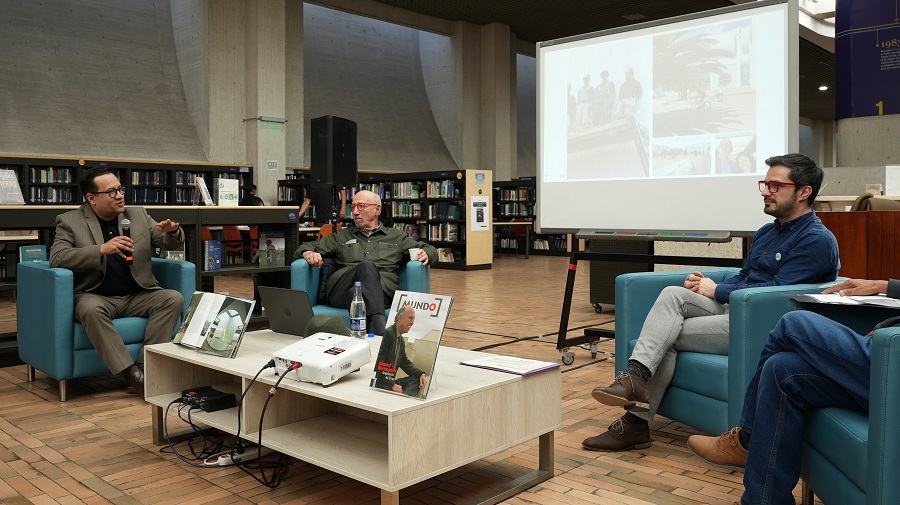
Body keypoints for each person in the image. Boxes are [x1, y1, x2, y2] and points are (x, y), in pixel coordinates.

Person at [582, 153, 840, 452]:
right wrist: (708, 287)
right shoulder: (768, 232)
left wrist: (716, 291)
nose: (766, 192)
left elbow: (776, 293)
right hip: (737, 308)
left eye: (775, 185)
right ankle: (635, 377)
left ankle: (635, 423)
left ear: (804, 192)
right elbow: (746, 279)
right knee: (673, 294)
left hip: (762, 324)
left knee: (666, 335)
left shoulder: (816, 240)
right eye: (764, 184)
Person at [686, 277, 900, 505]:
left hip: (893, 360)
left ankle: (747, 439)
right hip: (886, 349)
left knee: (792, 324)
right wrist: (885, 288)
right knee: (781, 369)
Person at [49, 166, 186, 395]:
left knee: (173, 298)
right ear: (91, 198)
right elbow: (57, 258)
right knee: (89, 309)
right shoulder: (70, 221)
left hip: (137, 294)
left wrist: (172, 232)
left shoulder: (138, 215)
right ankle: (131, 375)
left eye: (120, 189)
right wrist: (101, 249)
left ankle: (146, 367)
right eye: (111, 192)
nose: (120, 195)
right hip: (96, 296)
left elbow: (168, 243)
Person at [295, 190, 437, 335]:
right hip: (341, 290)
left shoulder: (396, 237)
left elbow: (429, 249)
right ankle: (384, 333)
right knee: (366, 266)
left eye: (361, 206)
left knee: (357, 294)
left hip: (382, 291)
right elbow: (304, 247)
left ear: (377, 209)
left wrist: (427, 253)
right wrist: (308, 253)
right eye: (353, 207)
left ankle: (362, 338)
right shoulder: (342, 235)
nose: (355, 212)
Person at [372, 305, 428, 397]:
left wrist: (421, 374)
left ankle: (405, 395)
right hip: (382, 383)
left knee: (417, 378)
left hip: (390, 381)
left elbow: (404, 362)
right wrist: (392, 385)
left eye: (413, 319)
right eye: (410, 318)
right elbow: (380, 363)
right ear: (400, 318)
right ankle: (405, 396)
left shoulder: (401, 340)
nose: (412, 322)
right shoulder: (388, 333)